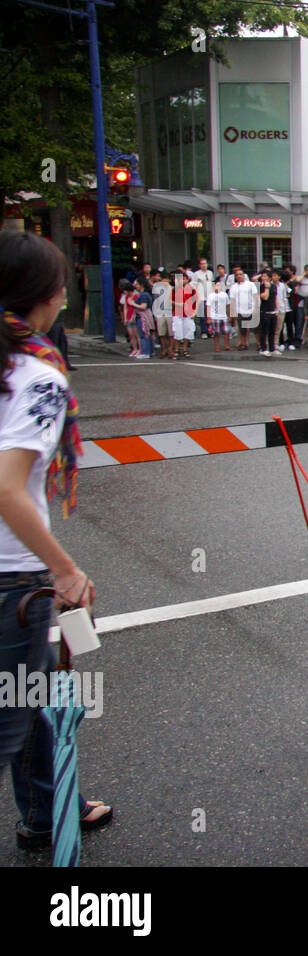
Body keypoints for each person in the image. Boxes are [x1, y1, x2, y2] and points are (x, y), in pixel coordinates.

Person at [0, 231, 113, 850]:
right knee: (10, 718)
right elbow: (9, 489)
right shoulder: (36, 375)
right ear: (45, 296)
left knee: (33, 693)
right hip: (11, 575)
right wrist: (64, 569)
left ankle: (45, 812)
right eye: (62, 283)